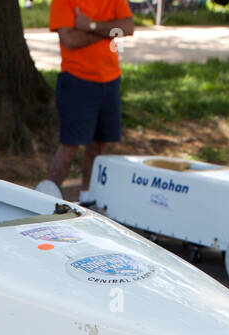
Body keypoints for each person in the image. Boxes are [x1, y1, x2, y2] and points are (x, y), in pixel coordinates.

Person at [37, 0, 135, 205]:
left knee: (99, 145)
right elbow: (70, 39)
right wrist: (109, 28)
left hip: (110, 79)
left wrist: (91, 25)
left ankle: (86, 199)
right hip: (77, 80)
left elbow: (128, 27)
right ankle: (44, 201)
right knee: (69, 145)